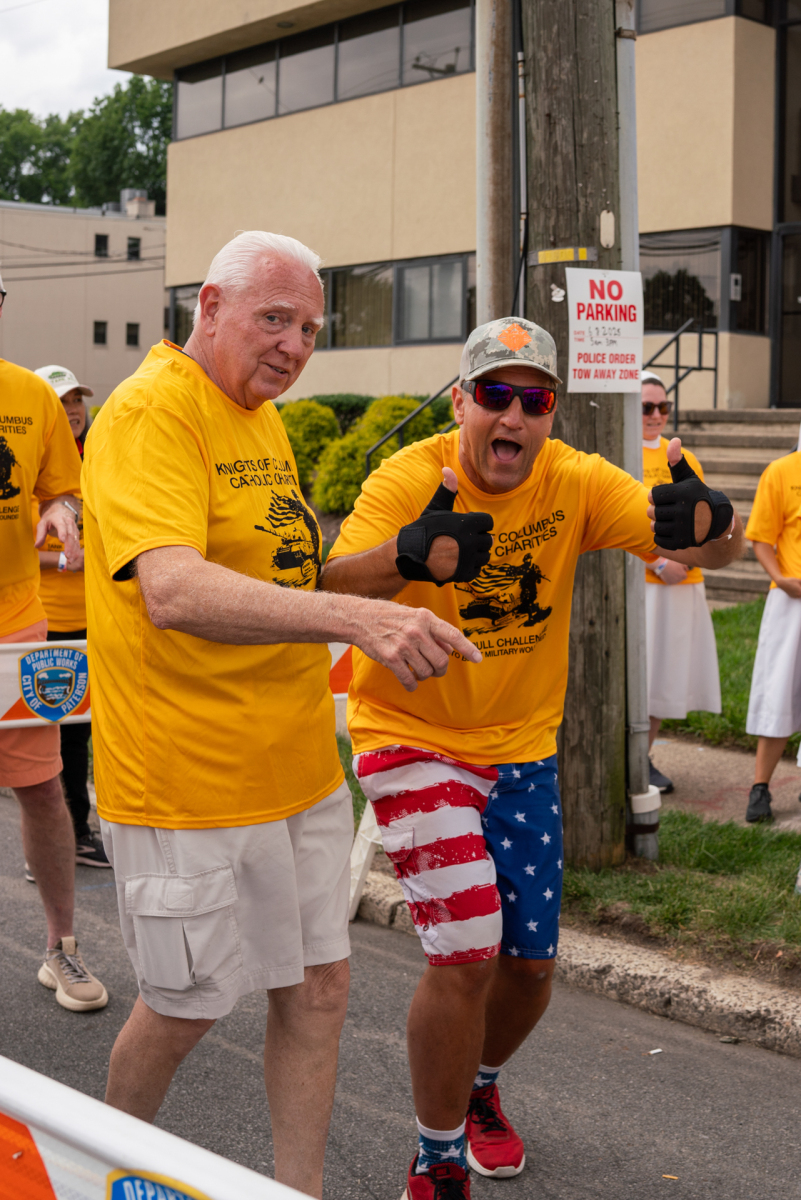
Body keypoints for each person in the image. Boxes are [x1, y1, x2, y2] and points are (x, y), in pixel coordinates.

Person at [81, 231, 479, 1199]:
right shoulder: (151, 412)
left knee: (319, 991)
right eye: (274, 319)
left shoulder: (259, 420)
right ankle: (95, 1174)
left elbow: (288, 583)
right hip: (186, 783)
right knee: (185, 1006)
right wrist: (358, 622)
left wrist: (396, 562)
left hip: (296, 774)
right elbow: (173, 589)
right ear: (209, 307)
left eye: (309, 329)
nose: (295, 347)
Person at [321, 317, 742, 1200]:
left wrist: (716, 527)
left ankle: (477, 1085)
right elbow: (329, 578)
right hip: (411, 735)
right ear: (461, 401)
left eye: (534, 400)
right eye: (494, 394)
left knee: (531, 965)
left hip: (521, 748)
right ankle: (437, 1159)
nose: (512, 415)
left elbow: (697, 547)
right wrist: (406, 556)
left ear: (551, 413)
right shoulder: (409, 476)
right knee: (467, 950)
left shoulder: (573, 480)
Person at [0, 273, 108, 1012]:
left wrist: (61, 512)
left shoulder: (31, 395)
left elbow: (57, 487)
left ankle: (61, 948)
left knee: (42, 787)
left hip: (17, 624)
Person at [31, 365, 109, 869]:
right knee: (52, 736)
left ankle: (75, 833)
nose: (73, 410)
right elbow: (16, 547)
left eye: (76, 400)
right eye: (61, 403)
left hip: (95, 618)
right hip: (47, 622)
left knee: (80, 733)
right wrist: (65, 561)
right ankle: (60, 839)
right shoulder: (30, 467)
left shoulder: (95, 458)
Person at [641, 371, 721, 795]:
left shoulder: (684, 456)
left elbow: (701, 515)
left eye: (663, 406)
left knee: (666, 677)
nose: (656, 415)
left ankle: (642, 757)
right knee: (642, 676)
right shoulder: (621, 451)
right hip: (645, 585)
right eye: (646, 407)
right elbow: (616, 523)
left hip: (685, 581)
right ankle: (629, 757)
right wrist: (656, 563)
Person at [743, 446, 801, 822]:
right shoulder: (781, 471)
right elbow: (761, 538)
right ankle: (760, 787)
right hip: (792, 600)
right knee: (779, 692)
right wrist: (780, 579)